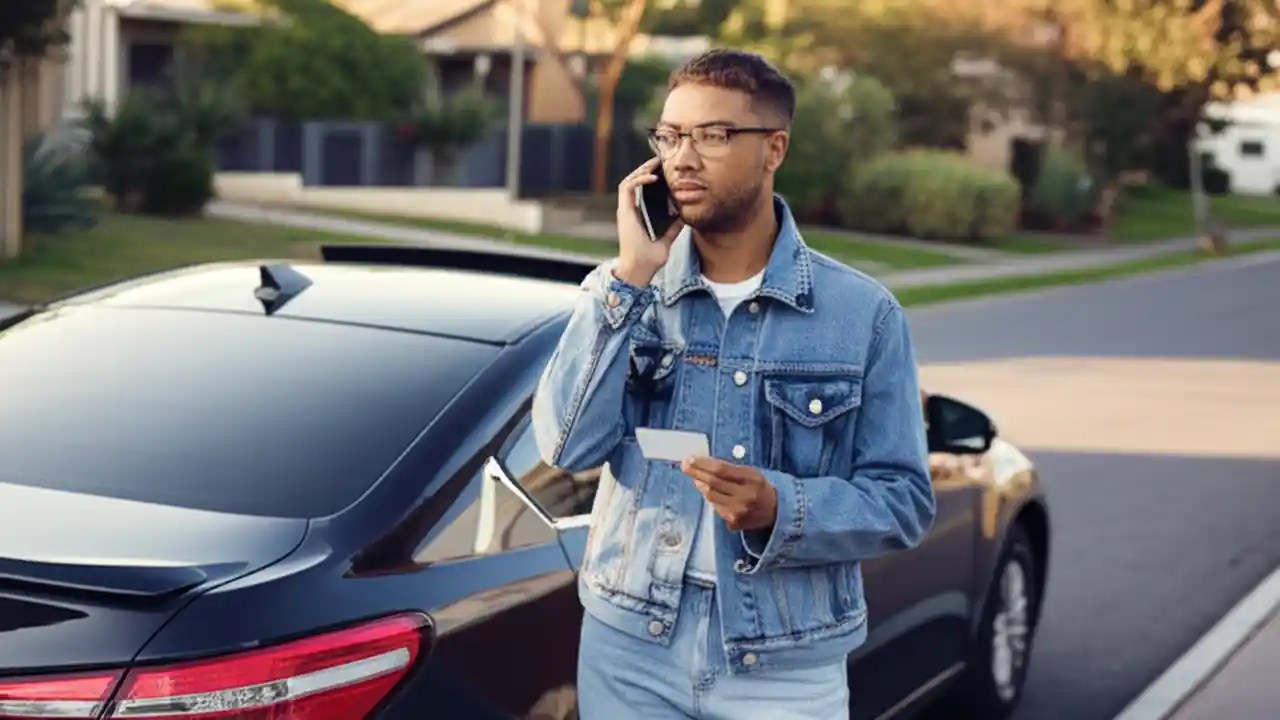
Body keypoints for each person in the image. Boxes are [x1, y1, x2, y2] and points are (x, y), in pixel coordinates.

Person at [531, 48, 936, 720]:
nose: (682, 158)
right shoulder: (626, 290)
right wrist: (630, 277)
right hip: (630, 649)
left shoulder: (863, 314)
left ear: (774, 148)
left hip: (786, 664)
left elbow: (903, 501)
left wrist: (782, 507)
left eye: (713, 135)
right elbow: (567, 446)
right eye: (669, 136)